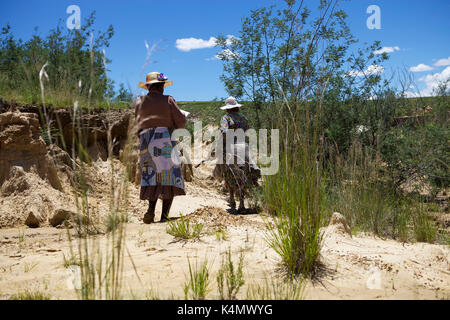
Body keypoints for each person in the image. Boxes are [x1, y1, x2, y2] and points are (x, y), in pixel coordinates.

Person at [135, 72, 186, 223]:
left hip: (146, 140)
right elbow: (181, 121)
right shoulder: (168, 100)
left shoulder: (139, 101)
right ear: (161, 86)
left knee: (151, 175)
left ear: (148, 87)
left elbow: (137, 123)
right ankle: (164, 216)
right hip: (165, 139)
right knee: (167, 176)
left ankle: (150, 210)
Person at [215, 96, 260, 212]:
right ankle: (241, 204)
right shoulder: (244, 119)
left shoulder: (226, 118)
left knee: (228, 173)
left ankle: (232, 199)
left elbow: (224, 132)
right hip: (243, 147)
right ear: (236, 108)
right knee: (245, 173)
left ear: (227, 109)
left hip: (231, 147)